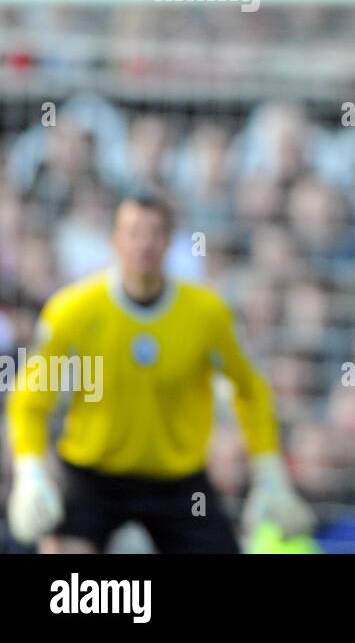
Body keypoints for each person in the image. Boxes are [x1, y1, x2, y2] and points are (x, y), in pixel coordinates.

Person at [5, 190, 314, 553]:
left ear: (169, 241)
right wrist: (30, 472)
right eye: (133, 232)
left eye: (155, 233)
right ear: (115, 241)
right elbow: (30, 400)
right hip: (93, 475)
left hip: (178, 481)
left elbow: (250, 390)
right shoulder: (73, 312)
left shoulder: (205, 315)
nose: (144, 244)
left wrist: (269, 472)